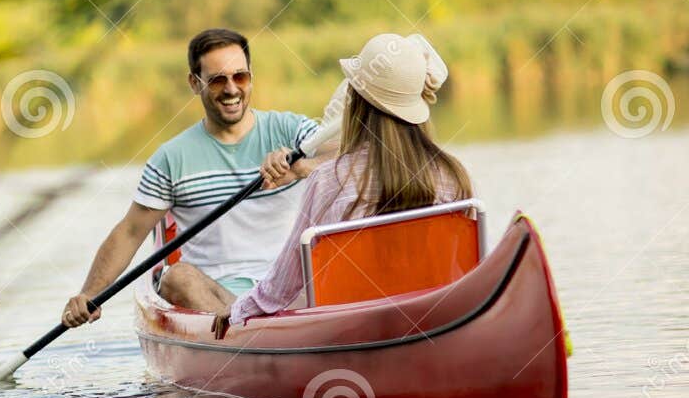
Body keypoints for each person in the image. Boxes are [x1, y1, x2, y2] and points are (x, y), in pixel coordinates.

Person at [213, 32, 473, 339]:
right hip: (434, 320)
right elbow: (466, 270)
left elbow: (283, 285)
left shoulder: (328, 181)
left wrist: (240, 308)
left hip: (350, 330)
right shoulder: (452, 174)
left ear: (355, 104)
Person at [61, 27, 323, 326]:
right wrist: (89, 295)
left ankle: (258, 324)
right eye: (216, 80)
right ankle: (250, 326)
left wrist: (302, 168)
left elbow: (348, 157)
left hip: (291, 287)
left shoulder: (292, 130)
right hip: (217, 296)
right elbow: (131, 232)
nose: (231, 89)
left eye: (240, 77)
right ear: (194, 83)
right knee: (177, 277)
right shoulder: (170, 158)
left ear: (251, 77)